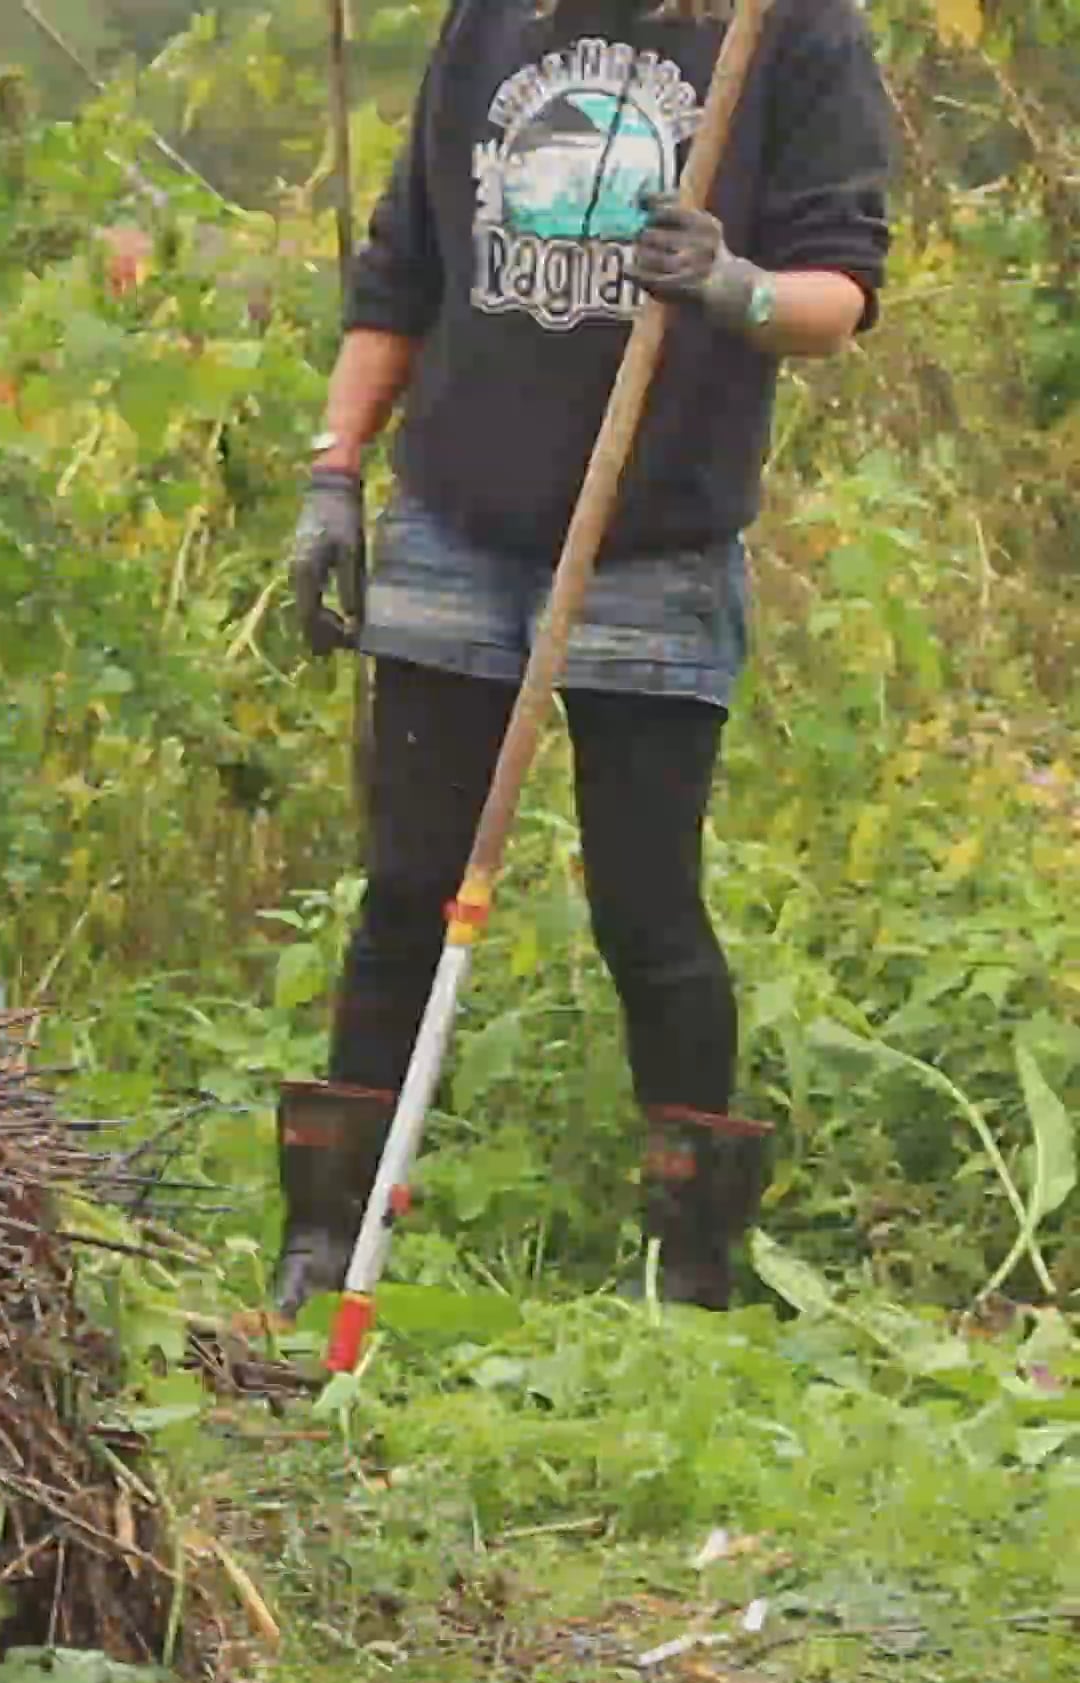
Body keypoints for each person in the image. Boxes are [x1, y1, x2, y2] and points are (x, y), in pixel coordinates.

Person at [272, 0, 891, 1316]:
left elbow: (838, 294)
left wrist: (738, 290)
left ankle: (693, 1267)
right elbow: (405, 269)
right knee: (405, 888)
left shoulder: (786, 31)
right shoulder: (493, 16)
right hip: (456, 520)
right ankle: (321, 1243)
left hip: (653, 538)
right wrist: (335, 471)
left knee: (646, 905)